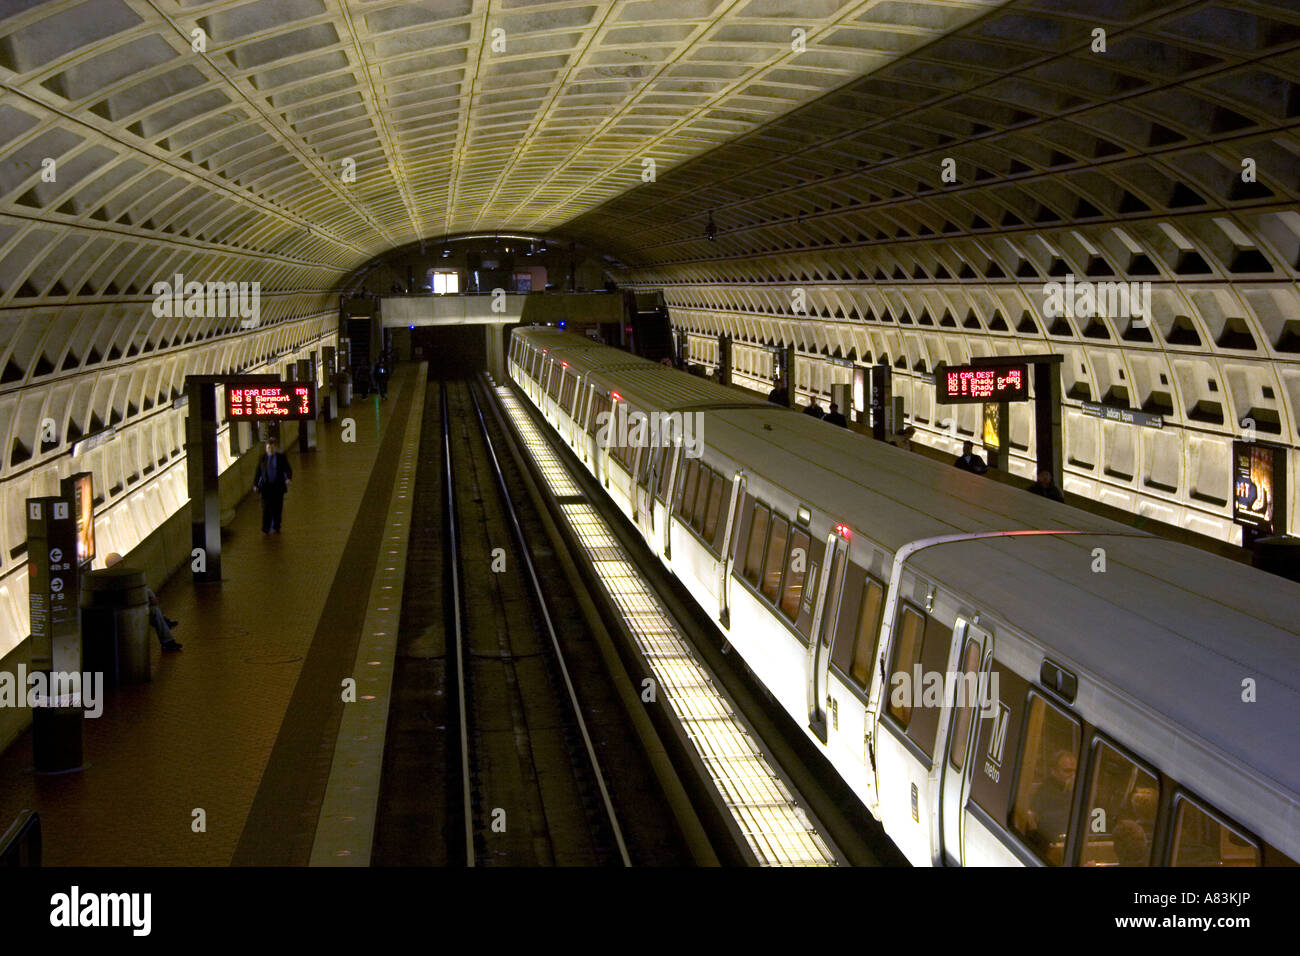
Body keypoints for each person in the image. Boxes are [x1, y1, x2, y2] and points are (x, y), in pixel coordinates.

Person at [104, 552, 181, 651]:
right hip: (128, 613)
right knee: (155, 611)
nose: (123, 565)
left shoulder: (117, 578)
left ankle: (167, 637)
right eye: (120, 563)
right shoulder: (118, 581)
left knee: (152, 604)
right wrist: (148, 601)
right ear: (115, 565)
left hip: (130, 610)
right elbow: (127, 600)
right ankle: (167, 639)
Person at [1027, 750, 1077, 857]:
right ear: (1054, 771)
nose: (1073, 775)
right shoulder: (1045, 791)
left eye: (1075, 771)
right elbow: (1047, 821)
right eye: (1067, 771)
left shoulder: (1073, 791)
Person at [254, 439, 293, 533]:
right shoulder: (262, 458)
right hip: (266, 487)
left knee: (277, 507)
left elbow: (287, 469)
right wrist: (255, 484)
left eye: (272, 447)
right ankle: (266, 527)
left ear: (275, 448)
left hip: (277, 486)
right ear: (266, 449)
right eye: (268, 448)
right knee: (266, 507)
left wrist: (288, 477)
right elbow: (258, 472)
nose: (270, 449)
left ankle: (276, 526)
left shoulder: (281, 457)